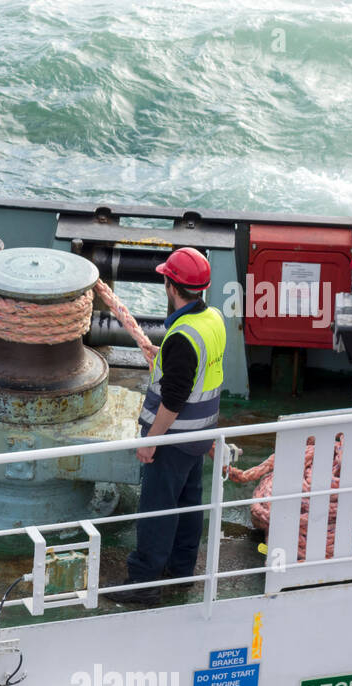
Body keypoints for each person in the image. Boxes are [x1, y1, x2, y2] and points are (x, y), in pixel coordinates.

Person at [122, 247, 226, 605]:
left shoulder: (182, 337)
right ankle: (182, 572)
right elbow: (197, 371)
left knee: (158, 510)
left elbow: (174, 399)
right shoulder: (213, 319)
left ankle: (144, 581)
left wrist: (151, 441)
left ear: (170, 286)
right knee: (188, 504)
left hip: (173, 438)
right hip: (200, 434)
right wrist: (162, 354)